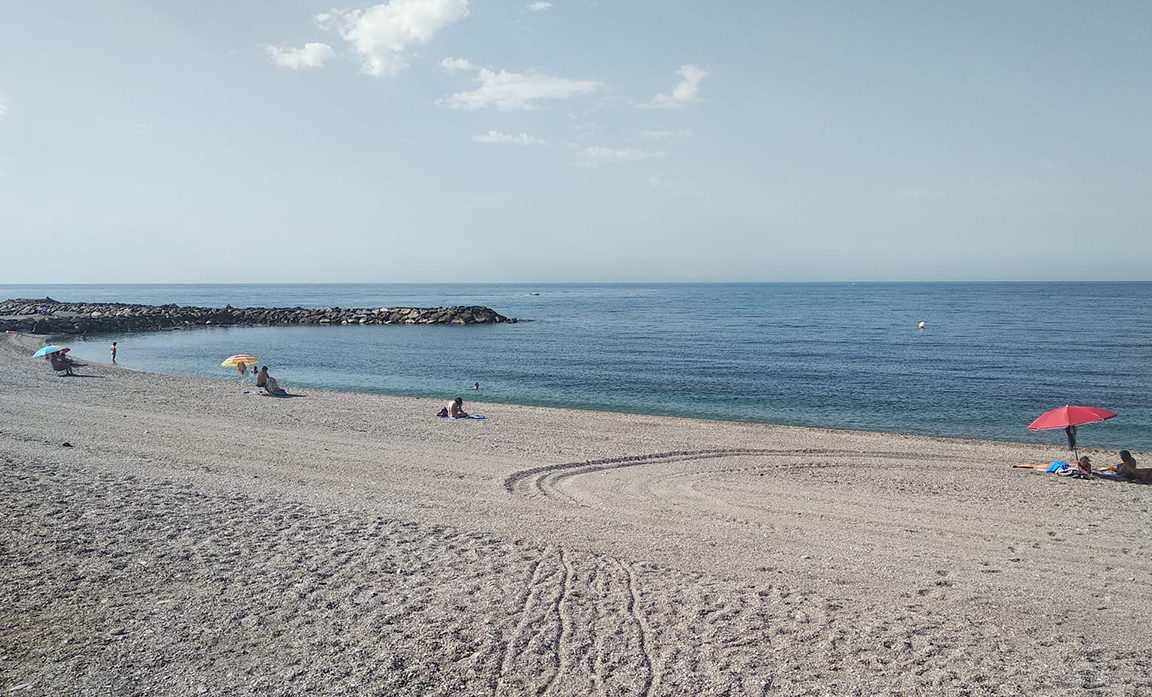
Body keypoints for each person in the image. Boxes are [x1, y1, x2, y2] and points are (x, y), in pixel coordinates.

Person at [1013, 456, 1093, 477]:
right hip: (1055, 465)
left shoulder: (1080, 465)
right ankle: (1019, 465)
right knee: (1035, 466)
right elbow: (1087, 473)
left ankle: (1019, 465)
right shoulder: (1079, 466)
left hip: (1058, 463)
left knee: (1036, 465)